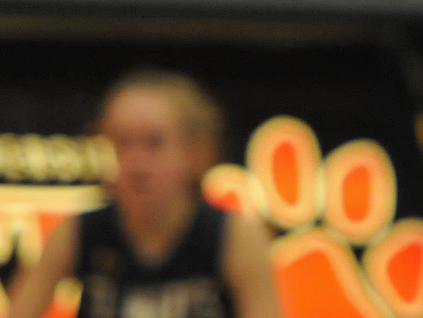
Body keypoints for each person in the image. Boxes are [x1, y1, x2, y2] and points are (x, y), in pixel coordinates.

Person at [4, 70, 279, 318]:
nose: (137, 163)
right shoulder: (78, 232)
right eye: (123, 143)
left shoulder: (235, 237)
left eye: (154, 144)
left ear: (195, 154)